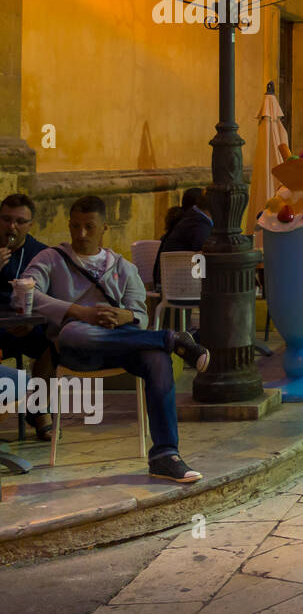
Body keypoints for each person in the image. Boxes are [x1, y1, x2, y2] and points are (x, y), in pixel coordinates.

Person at [25, 195, 208, 482]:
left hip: (123, 344)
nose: (81, 234)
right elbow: (25, 294)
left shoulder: (122, 267)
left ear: (104, 228)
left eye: (88, 226)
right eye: (75, 227)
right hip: (78, 348)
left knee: (157, 360)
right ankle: (171, 339)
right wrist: (77, 312)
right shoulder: (51, 259)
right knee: (72, 330)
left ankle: (165, 454)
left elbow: (139, 315)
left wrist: (123, 317)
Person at [0, 193, 53, 438]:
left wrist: (31, 322)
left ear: (30, 225)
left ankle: (39, 407)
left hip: (26, 326)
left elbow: (51, 298)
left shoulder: (41, 255)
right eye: (6, 219)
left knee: (52, 344)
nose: (12, 226)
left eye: (20, 221)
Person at [154, 186, 213, 287]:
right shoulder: (197, 224)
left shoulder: (193, 219)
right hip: (177, 287)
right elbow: (207, 257)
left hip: (172, 283)